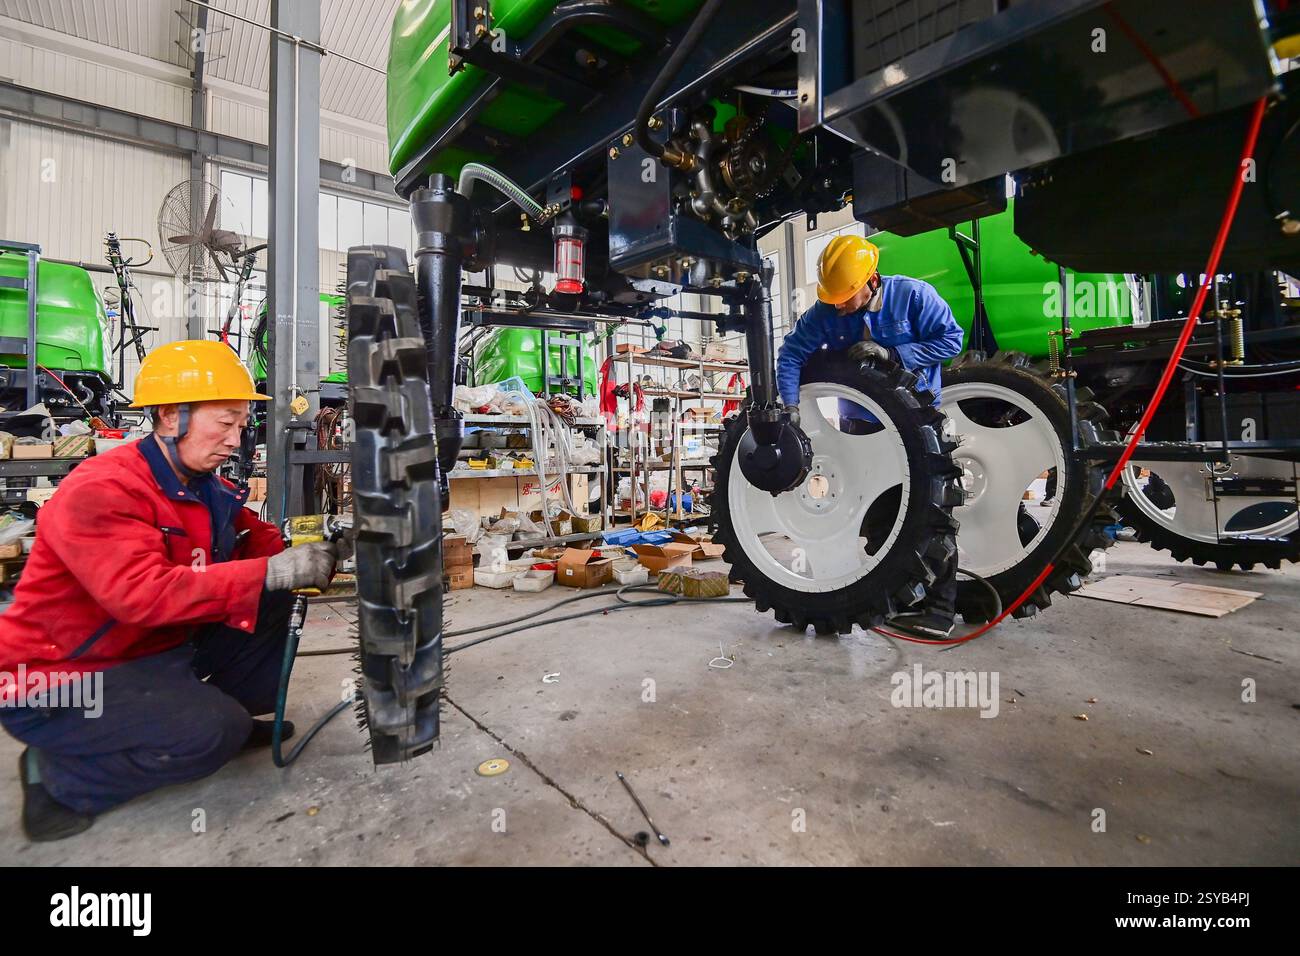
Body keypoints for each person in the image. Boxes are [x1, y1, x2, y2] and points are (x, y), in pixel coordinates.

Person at [0, 341, 337, 841]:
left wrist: (318, 546)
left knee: (278, 596)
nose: (235, 439)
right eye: (224, 423)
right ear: (170, 415)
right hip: (60, 676)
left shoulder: (200, 483)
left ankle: (209, 714)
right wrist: (271, 571)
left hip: (151, 649)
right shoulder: (103, 489)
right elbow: (139, 595)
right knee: (209, 735)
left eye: (241, 425)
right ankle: (58, 777)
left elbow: (254, 542)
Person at [776, 234, 965, 638]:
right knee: (878, 514)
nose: (840, 304)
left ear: (872, 279)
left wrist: (897, 354)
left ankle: (940, 610)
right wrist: (791, 408)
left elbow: (953, 339)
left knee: (930, 515)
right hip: (860, 430)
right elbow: (791, 354)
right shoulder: (827, 311)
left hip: (917, 427)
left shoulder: (914, 297)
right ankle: (900, 599)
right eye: (834, 297)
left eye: (847, 296)